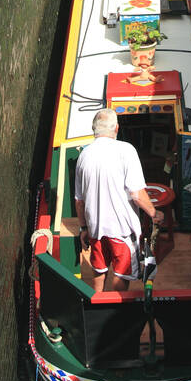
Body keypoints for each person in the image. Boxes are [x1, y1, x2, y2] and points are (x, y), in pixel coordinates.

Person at [74, 108, 162, 292]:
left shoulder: (84, 155)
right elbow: (137, 194)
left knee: (99, 270)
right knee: (122, 274)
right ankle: (115, 313)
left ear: (94, 130)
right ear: (116, 128)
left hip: (95, 229)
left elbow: (79, 201)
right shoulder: (126, 150)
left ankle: (96, 304)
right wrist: (154, 213)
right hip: (121, 231)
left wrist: (83, 228)